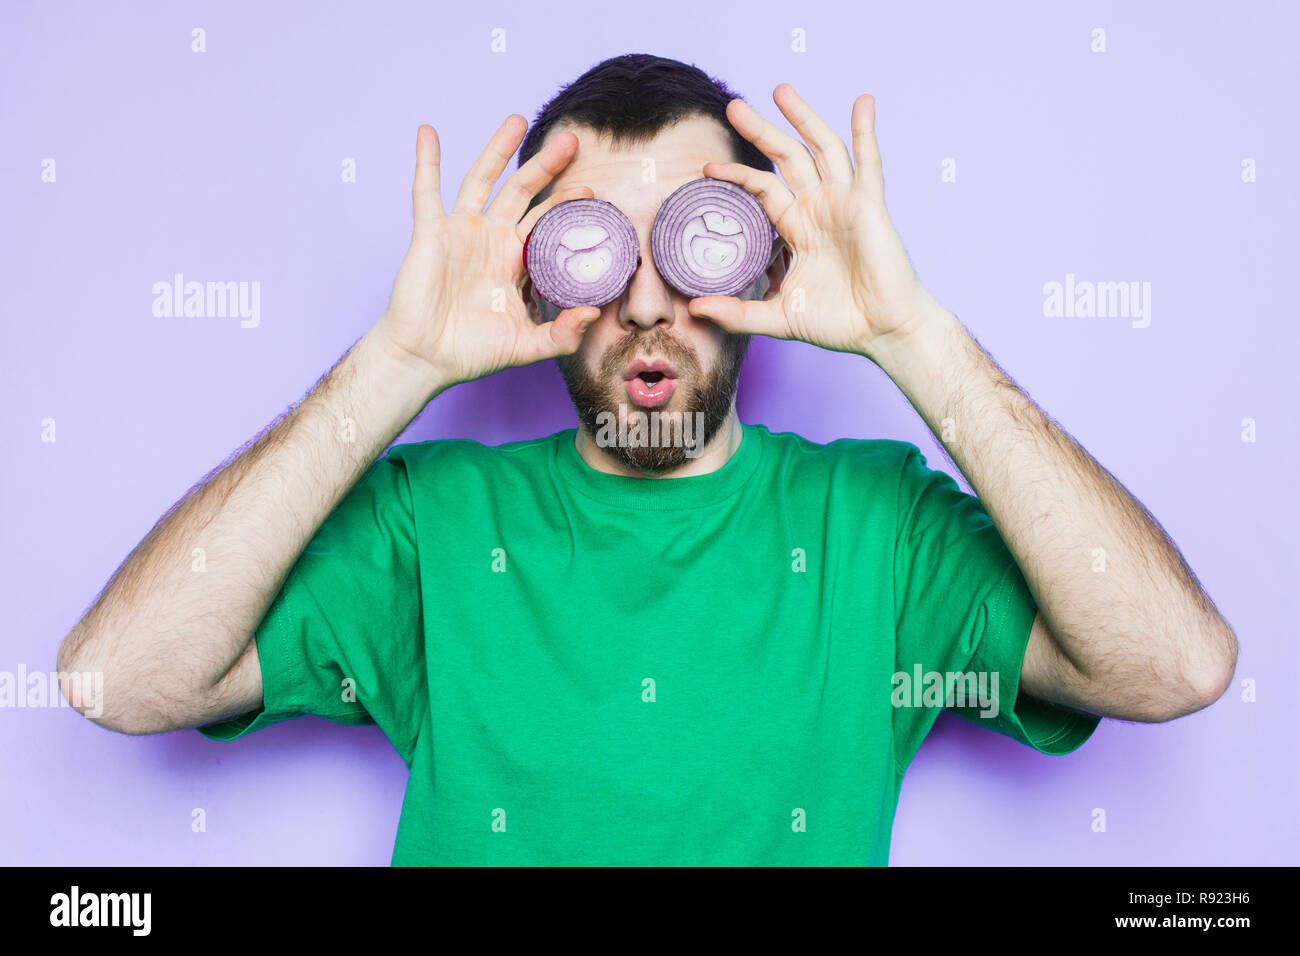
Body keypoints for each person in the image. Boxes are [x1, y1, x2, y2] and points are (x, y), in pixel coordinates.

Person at [57, 54, 1237, 865]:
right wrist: (395, 363)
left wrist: (910, 336)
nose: (646, 302)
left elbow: (1175, 665)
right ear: (537, 270)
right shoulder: (440, 522)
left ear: (759, 263)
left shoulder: (874, 524)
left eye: (693, 239)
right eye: (594, 247)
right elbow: (117, 680)